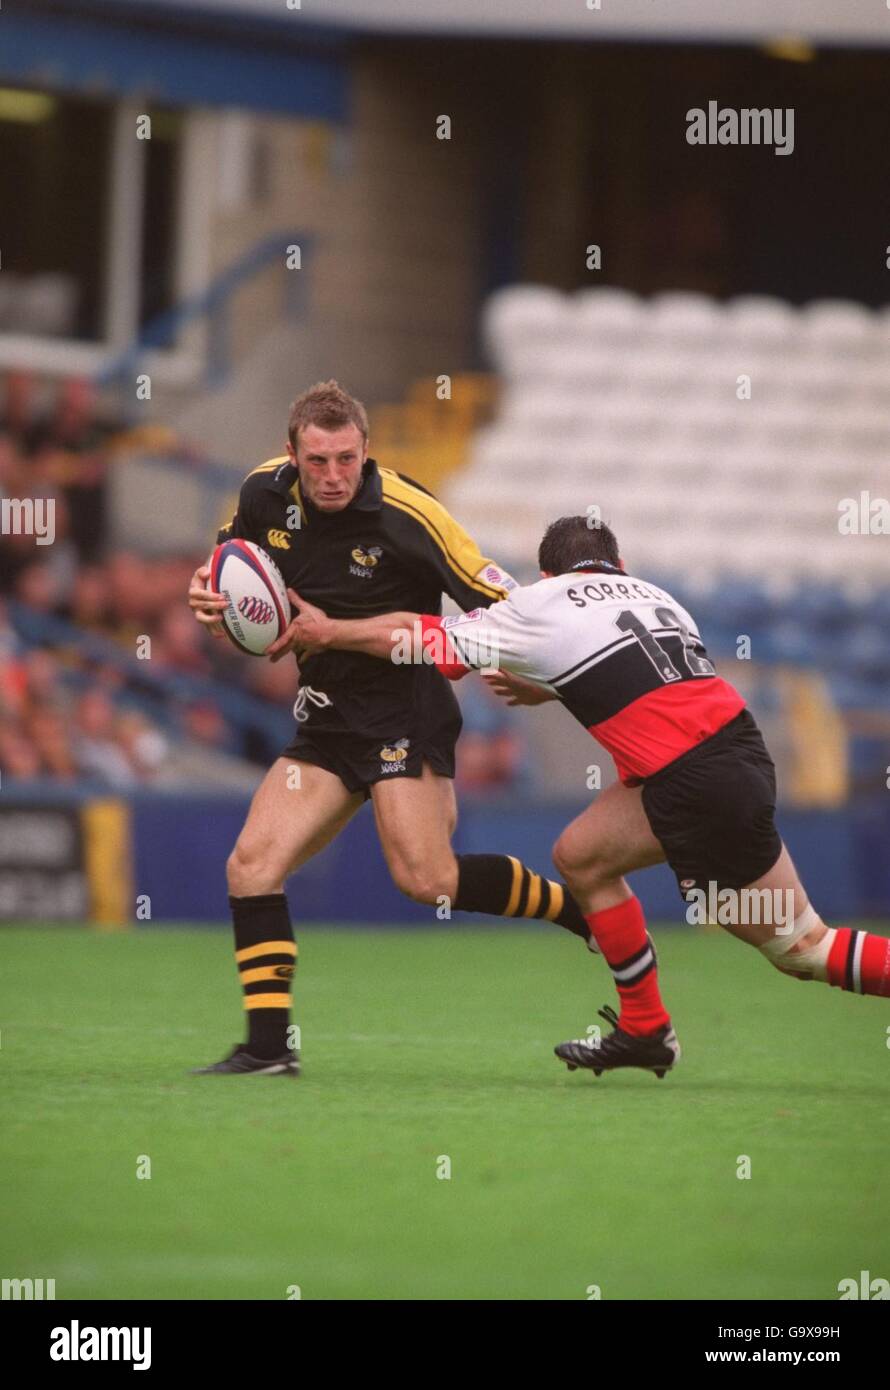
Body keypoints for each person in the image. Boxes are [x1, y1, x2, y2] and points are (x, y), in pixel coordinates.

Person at [282, 512, 890, 1079]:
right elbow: (648, 672)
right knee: (581, 856)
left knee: (803, 949)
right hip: (736, 751)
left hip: (692, 779)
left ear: (549, 573)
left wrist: (330, 631)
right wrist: (550, 688)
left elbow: (419, 635)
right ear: (616, 564)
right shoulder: (658, 596)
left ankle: (650, 1027)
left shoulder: (539, 601)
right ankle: (646, 1028)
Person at [186, 383, 595, 1077]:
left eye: (347, 458)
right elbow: (230, 562)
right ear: (292, 456)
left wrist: (533, 677)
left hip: (407, 708)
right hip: (324, 716)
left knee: (427, 880)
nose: (334, 475)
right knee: (250, 866)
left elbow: (508, 605)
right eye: (317, 461)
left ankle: (570, 906)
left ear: (367, 450)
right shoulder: (262, 494)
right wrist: (210, 595)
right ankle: (267, 1048)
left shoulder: (413, 514)